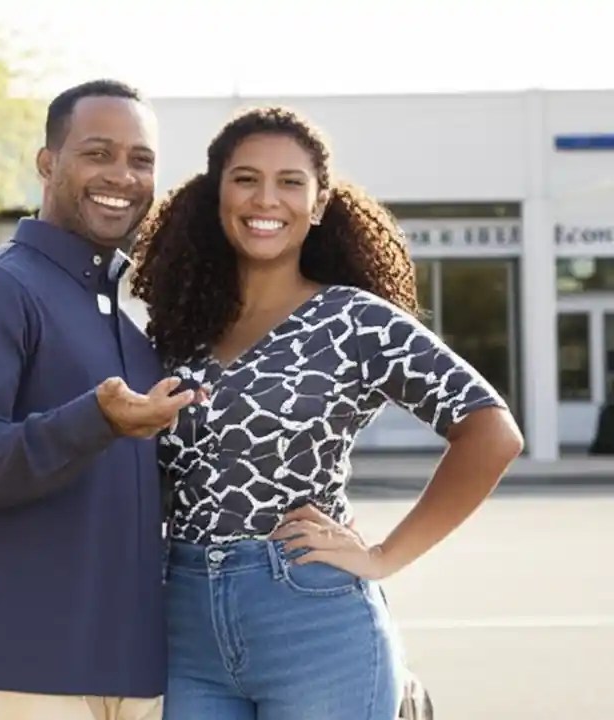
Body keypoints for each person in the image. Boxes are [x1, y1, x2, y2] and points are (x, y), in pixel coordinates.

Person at [129, 105, 524, 720]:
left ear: (317, 205)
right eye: (245, 178)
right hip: (183, 620)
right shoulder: (180, 331)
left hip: (310, 615)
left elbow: (491, 431)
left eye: (290, 182)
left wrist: (384, 556)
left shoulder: (353, 319)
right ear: (217, 196)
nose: (267, 198)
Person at [0, 79, 204, 720]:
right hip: (27, 669)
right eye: (97, 153)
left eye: (141, 159)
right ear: (48, 163)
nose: (121, 176)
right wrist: (94, 419)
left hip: (138, 670)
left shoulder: (134, 316)